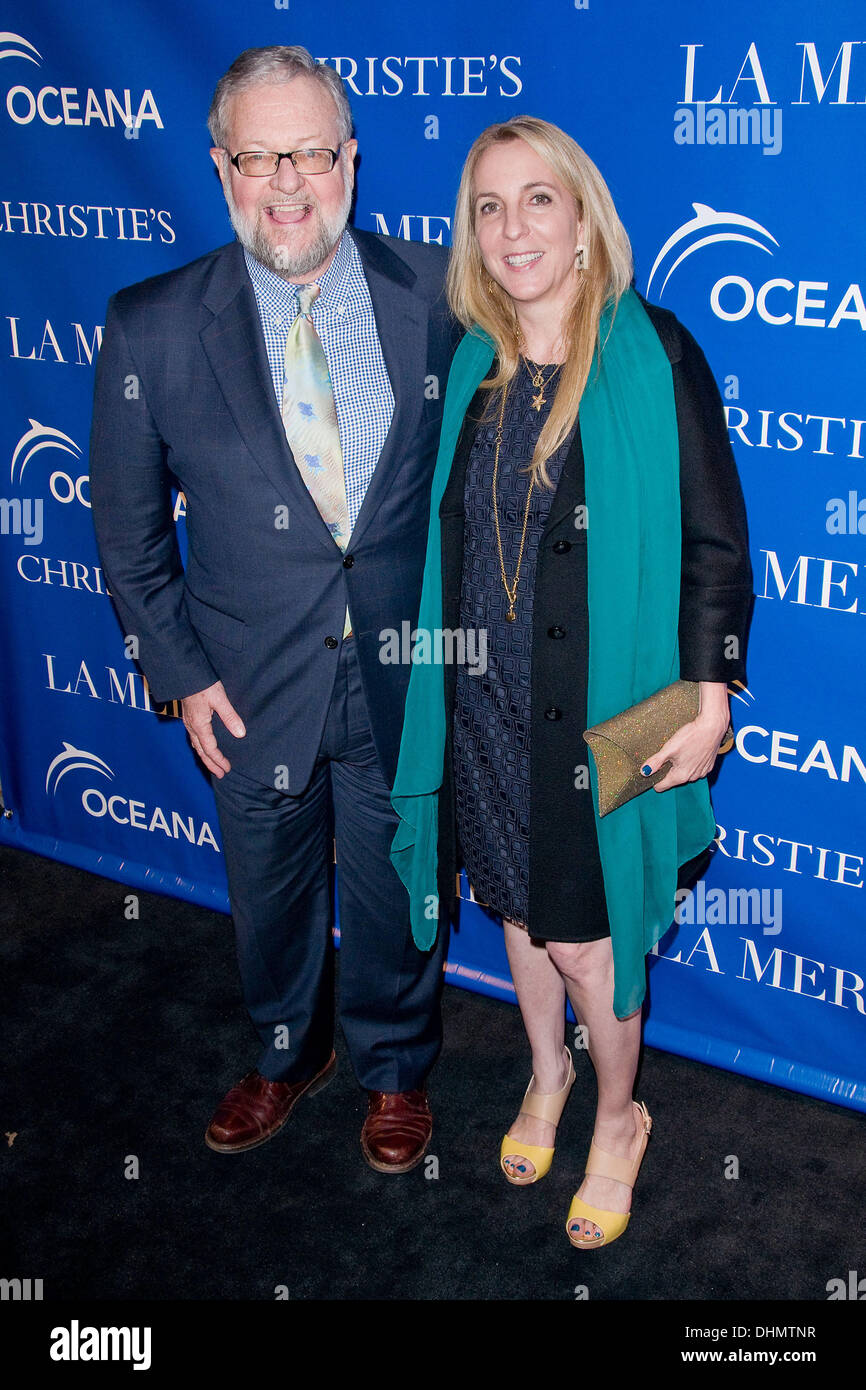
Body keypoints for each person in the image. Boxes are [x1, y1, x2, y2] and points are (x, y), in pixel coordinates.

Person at [90, 46, 456, 1173]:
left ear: (349, 161)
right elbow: (128, 529)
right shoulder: (151, 323)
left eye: (309, 152)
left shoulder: (441, 294)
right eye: (259, 155)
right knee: (269, 893)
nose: (286, 181)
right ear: (219, 166)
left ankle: (393, 1067)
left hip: (405, 667)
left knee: (401, 887)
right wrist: (181, 672)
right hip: (245, 686)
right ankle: (287, 1052)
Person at [390, 116, 752, 1242]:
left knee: (590, 937)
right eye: (488, 207)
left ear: (583, 218)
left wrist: (711, 691)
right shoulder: (469, 364)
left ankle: (615, 1114)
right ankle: (544, 1072)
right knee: (512, 907)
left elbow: (713, 541)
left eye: (536, 199)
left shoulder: (652, 351)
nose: (512, 228)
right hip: (487, 709)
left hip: (605, 716)